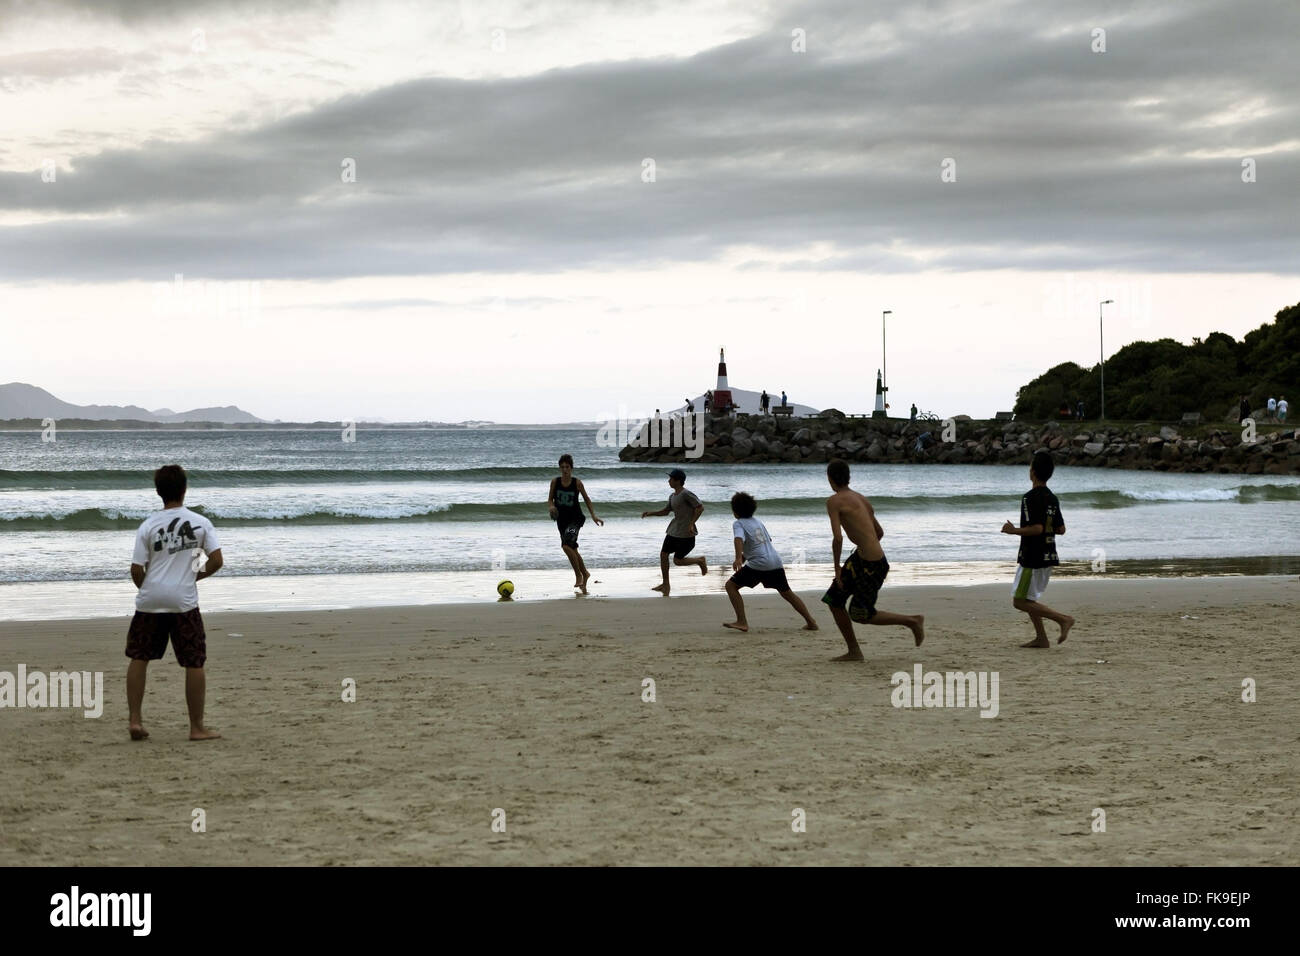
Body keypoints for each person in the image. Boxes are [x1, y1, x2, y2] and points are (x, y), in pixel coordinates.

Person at [125, 464, 223, 741]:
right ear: (184, 489)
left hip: (150, 600)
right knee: (194, 662)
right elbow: (216, 560)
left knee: (139, 657)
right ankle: (196, 727)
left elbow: (136, 568)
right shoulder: (201, 523)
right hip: (183, 601)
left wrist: (149, 589)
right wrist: (193, 577)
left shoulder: (148, 525)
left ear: (158, 492)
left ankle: (135, 720)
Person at [820, 459, 924, 660]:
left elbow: (838, 538)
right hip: (865, 559)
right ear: (848, 477)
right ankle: (854, 651)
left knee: (861, 614)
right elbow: (879, 532)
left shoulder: (833, 501)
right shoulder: (861, 499)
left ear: (830, 479)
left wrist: (837, 569)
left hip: (872, 565)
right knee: (834, 600)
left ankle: (913, 621)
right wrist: (865, 547)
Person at [1000, 450, 1074, 648]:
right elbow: (1061, 529)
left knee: (1019, 601)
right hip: (1048, 553)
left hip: (1032, 556)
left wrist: (1013, 530)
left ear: (1032, 471)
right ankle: (1041, 638)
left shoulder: (1029, 498)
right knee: (1029, 598)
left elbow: (1037, 529)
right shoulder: (1052, 498)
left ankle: (1063, 619)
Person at [722, 492, 817, 633]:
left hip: (760, 564)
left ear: (735, 511)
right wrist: (743, 558)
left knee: (731, 586)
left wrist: (737, 558)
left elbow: (738, 539)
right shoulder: (758, 522)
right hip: (775, 561)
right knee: (787, 593)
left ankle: (742, 621)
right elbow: (763, 542)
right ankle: (811, 622)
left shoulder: (738, 523)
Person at [641, 468, 707, 593]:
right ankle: (666, 584)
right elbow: (666, 512)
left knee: (677, 561)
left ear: (678, 481)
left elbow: (700, 507)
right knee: (663, 555)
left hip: (686, 534)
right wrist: (650, 513)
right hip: (674, 531)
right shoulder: (672, 496)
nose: (668, 481)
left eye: (671, 479)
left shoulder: (686, 494)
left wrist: (692, 523)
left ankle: (700, 561)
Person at [548, 453, 604, 594]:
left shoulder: (577, 483)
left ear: (571, 468)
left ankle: (578, 575)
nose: (565, 469)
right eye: (562, 467)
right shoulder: (555, 482)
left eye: (567, 467)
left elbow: (587, 499)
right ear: (559, 468)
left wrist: (593, 516)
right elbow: (550, 499)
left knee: (566, 546)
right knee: (572, 548)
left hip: (576, 519)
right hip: (561, 520)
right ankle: (585, 573)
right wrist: (551, 507)